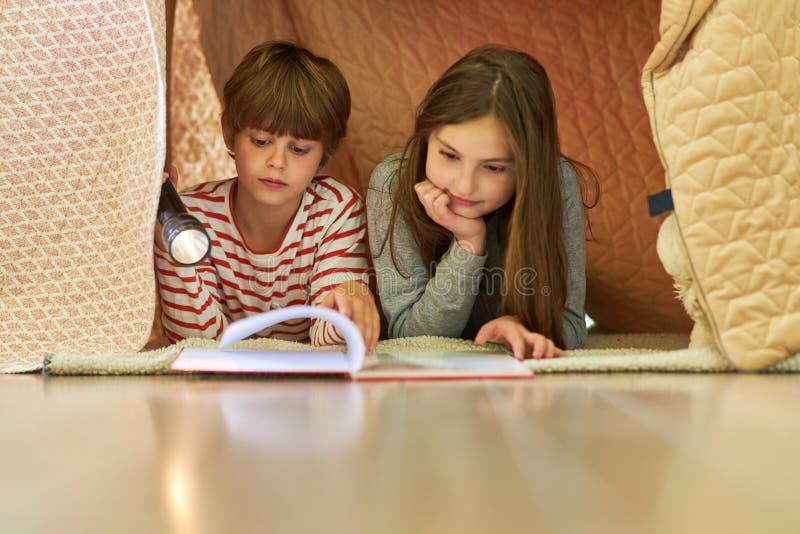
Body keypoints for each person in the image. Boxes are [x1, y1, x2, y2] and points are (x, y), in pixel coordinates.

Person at [367, 44, 598, 360]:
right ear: (425, 135)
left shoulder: (556, 182)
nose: (464, 185)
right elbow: (410, 336)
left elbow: (572, 327)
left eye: (494, 167)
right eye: (449, 155)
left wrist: (520, 326)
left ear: (529, 165)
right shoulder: (392, 183)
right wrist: (467, 245)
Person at [156, 41, 379, 351]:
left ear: (324, 153)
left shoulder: (335, 210)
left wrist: (350, 303)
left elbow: (329, 338)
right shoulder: (192, 216)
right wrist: (167, 236)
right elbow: (196, 343)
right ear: (229, 132)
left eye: (299, 149)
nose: (278, 162)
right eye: (261, 141)